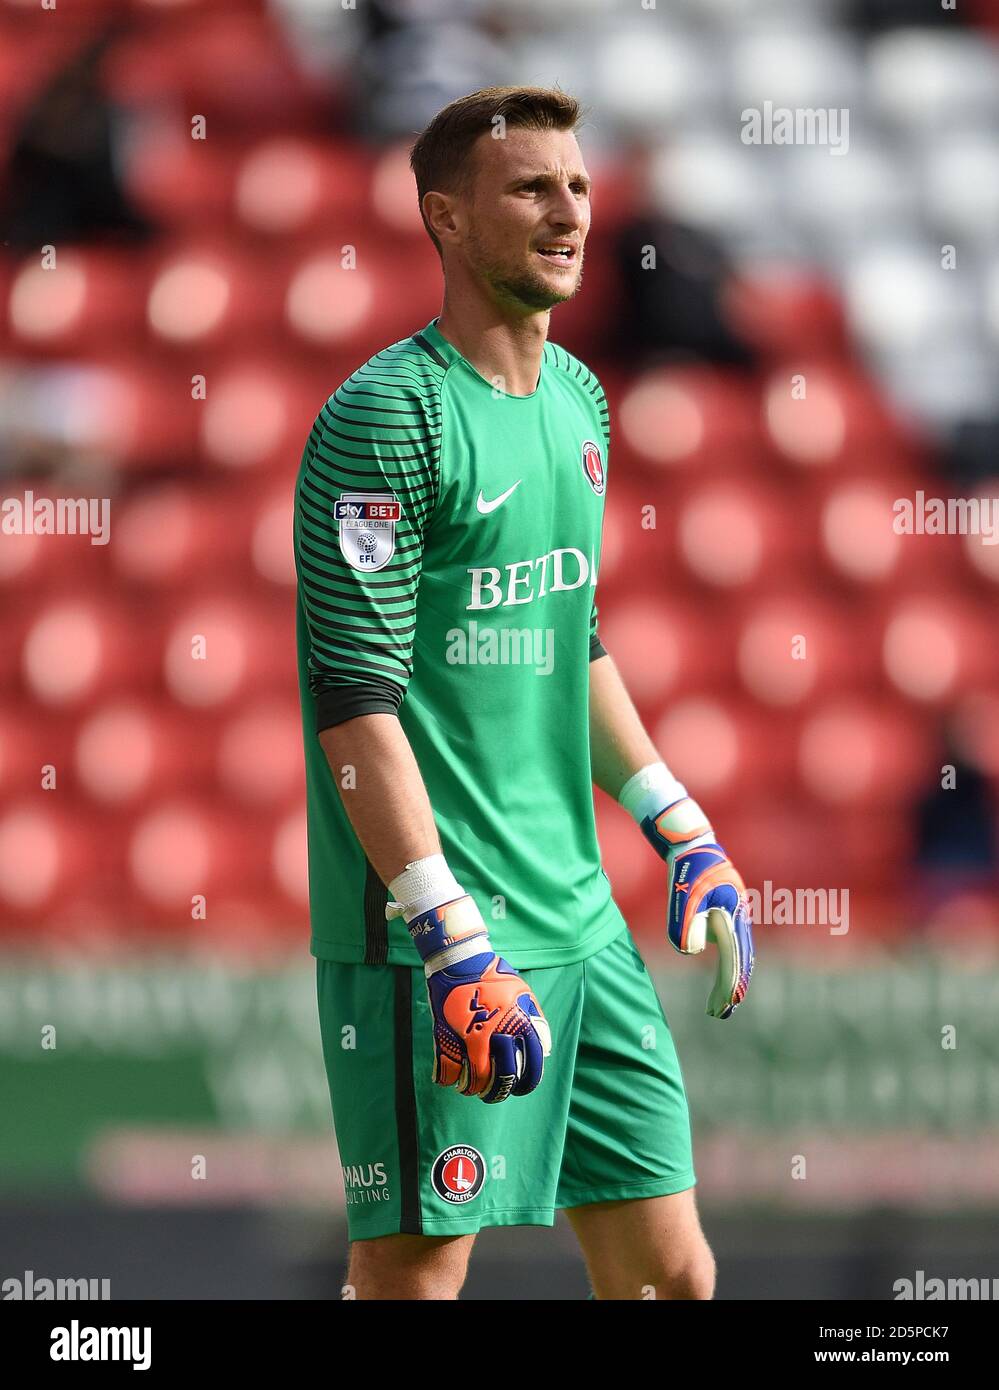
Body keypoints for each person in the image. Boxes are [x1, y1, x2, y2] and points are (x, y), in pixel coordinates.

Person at [293, 85, 754, 1301]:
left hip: (585, 920)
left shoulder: (582, 402)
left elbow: (572, 638)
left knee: (671, 1275)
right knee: (414, 1274)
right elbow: (356, 700)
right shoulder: (388, 414)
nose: (570, 212)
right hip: (445, 935)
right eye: (532, 188)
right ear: (445, 219)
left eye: (582, 186)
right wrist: (444, 932)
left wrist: (677, 822)